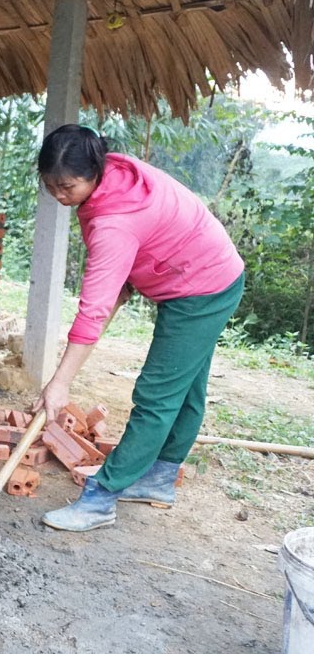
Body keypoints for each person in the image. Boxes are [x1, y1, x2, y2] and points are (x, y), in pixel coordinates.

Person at [31, 124, 245, 532]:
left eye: (67, 186)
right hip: (203, 274)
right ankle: (160, 480)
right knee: (187, 388)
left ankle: (101, 499)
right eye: (50, 185)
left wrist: (59, 383)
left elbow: (93, 309)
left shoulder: (114, 221)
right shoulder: (117, 176)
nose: (59, 195)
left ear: (94, 173)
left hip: (202, 288)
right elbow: (113, 288)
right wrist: (123, 286)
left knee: (157, 395)